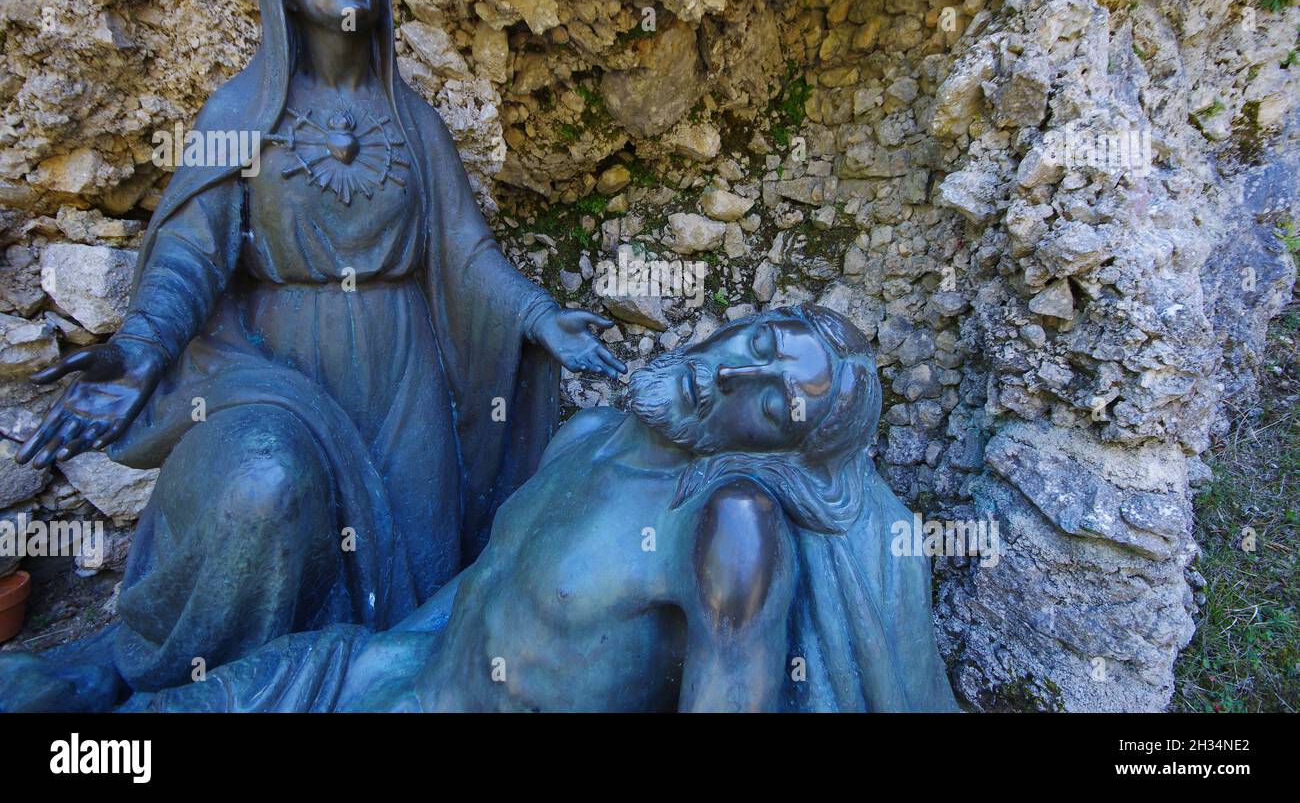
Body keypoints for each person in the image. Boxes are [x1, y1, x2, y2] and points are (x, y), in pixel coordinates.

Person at [1, 0, 624, 711]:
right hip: (279, 362)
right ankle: (206, 690)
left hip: (405, 376)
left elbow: (466, 254)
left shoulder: (414, 122)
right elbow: (190, 257)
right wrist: (137, 352)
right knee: (264, 485)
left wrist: (542, 315)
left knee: (412, 579)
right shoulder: (241, 114)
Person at [126, 305, 960, 713]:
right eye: (765, 343)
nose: (736, 374)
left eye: (777, 407)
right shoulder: (592, 432)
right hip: (367, 681)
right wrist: (356, 669)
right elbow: (479, 595)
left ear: (778, 450)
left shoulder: (729, 524)